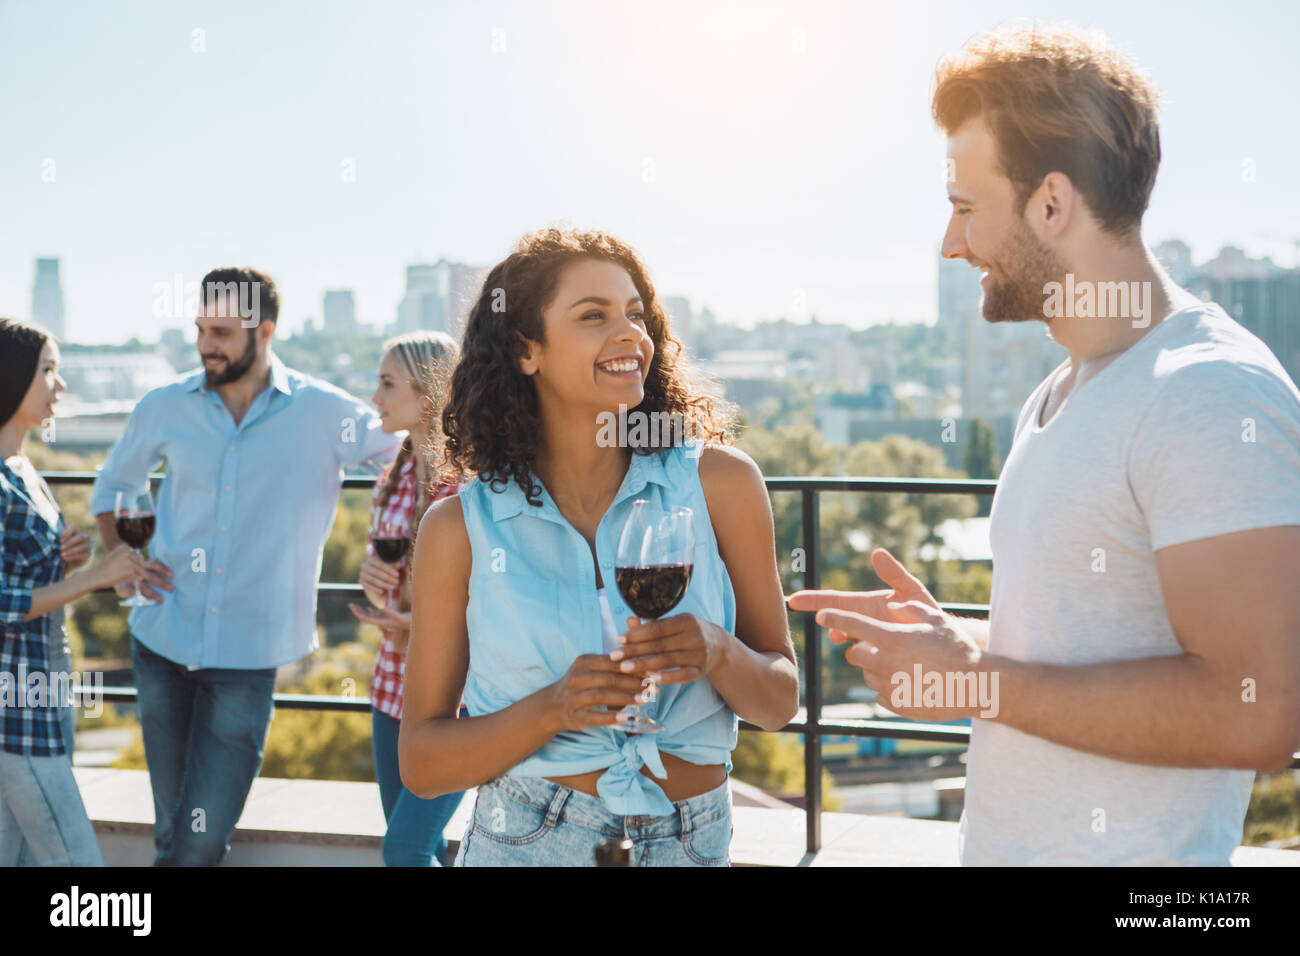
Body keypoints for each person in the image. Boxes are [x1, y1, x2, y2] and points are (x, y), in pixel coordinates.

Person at [791, 23, 1300, 865]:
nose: (951, 243)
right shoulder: (1059, 392)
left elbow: (1260, 713)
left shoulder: (1209, 393)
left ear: (1052, 203)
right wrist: (957, 643)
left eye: (963, 208)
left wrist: (971, 678)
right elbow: (1088, 647)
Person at [399, 227, 799, 866]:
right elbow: (422, 764)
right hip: (526, 840)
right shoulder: (459, 528)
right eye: (594, 316)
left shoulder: (721, 483)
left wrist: (719, 652)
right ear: (526, 349)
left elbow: (779, 703)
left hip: (690, 843)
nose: (630, 335)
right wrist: (553, 708)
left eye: (637, 315)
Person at [90, 268, 401, 866]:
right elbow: (112, 487)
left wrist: (386, 545)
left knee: (202, 838)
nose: (207, 344)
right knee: (171, 831)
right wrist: (123, 562)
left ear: (265, 330)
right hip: (161, 638)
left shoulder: (324, 411)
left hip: (248, 657)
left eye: (223, 331)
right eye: (202, 329)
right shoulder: (164, 405)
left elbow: (411, 458)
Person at [0, 318, 143, 866]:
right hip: (16, 699)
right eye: (48, 370)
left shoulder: (24, 468)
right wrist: (94, 578)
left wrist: (67, 563)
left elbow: (23, 578)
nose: (59, 385)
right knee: (77, 862)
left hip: (47, 680)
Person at [347, 330, 468, 866]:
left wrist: (412, 623)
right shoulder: (391, 480)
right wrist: (373, 576)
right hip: (392, 687)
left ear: (427, 397)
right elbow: (389, 575)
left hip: (455, 698)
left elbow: (483, 597)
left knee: (405, 847)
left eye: (386, 383)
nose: (375, 397)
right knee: (423, 846)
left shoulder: (469, 486)